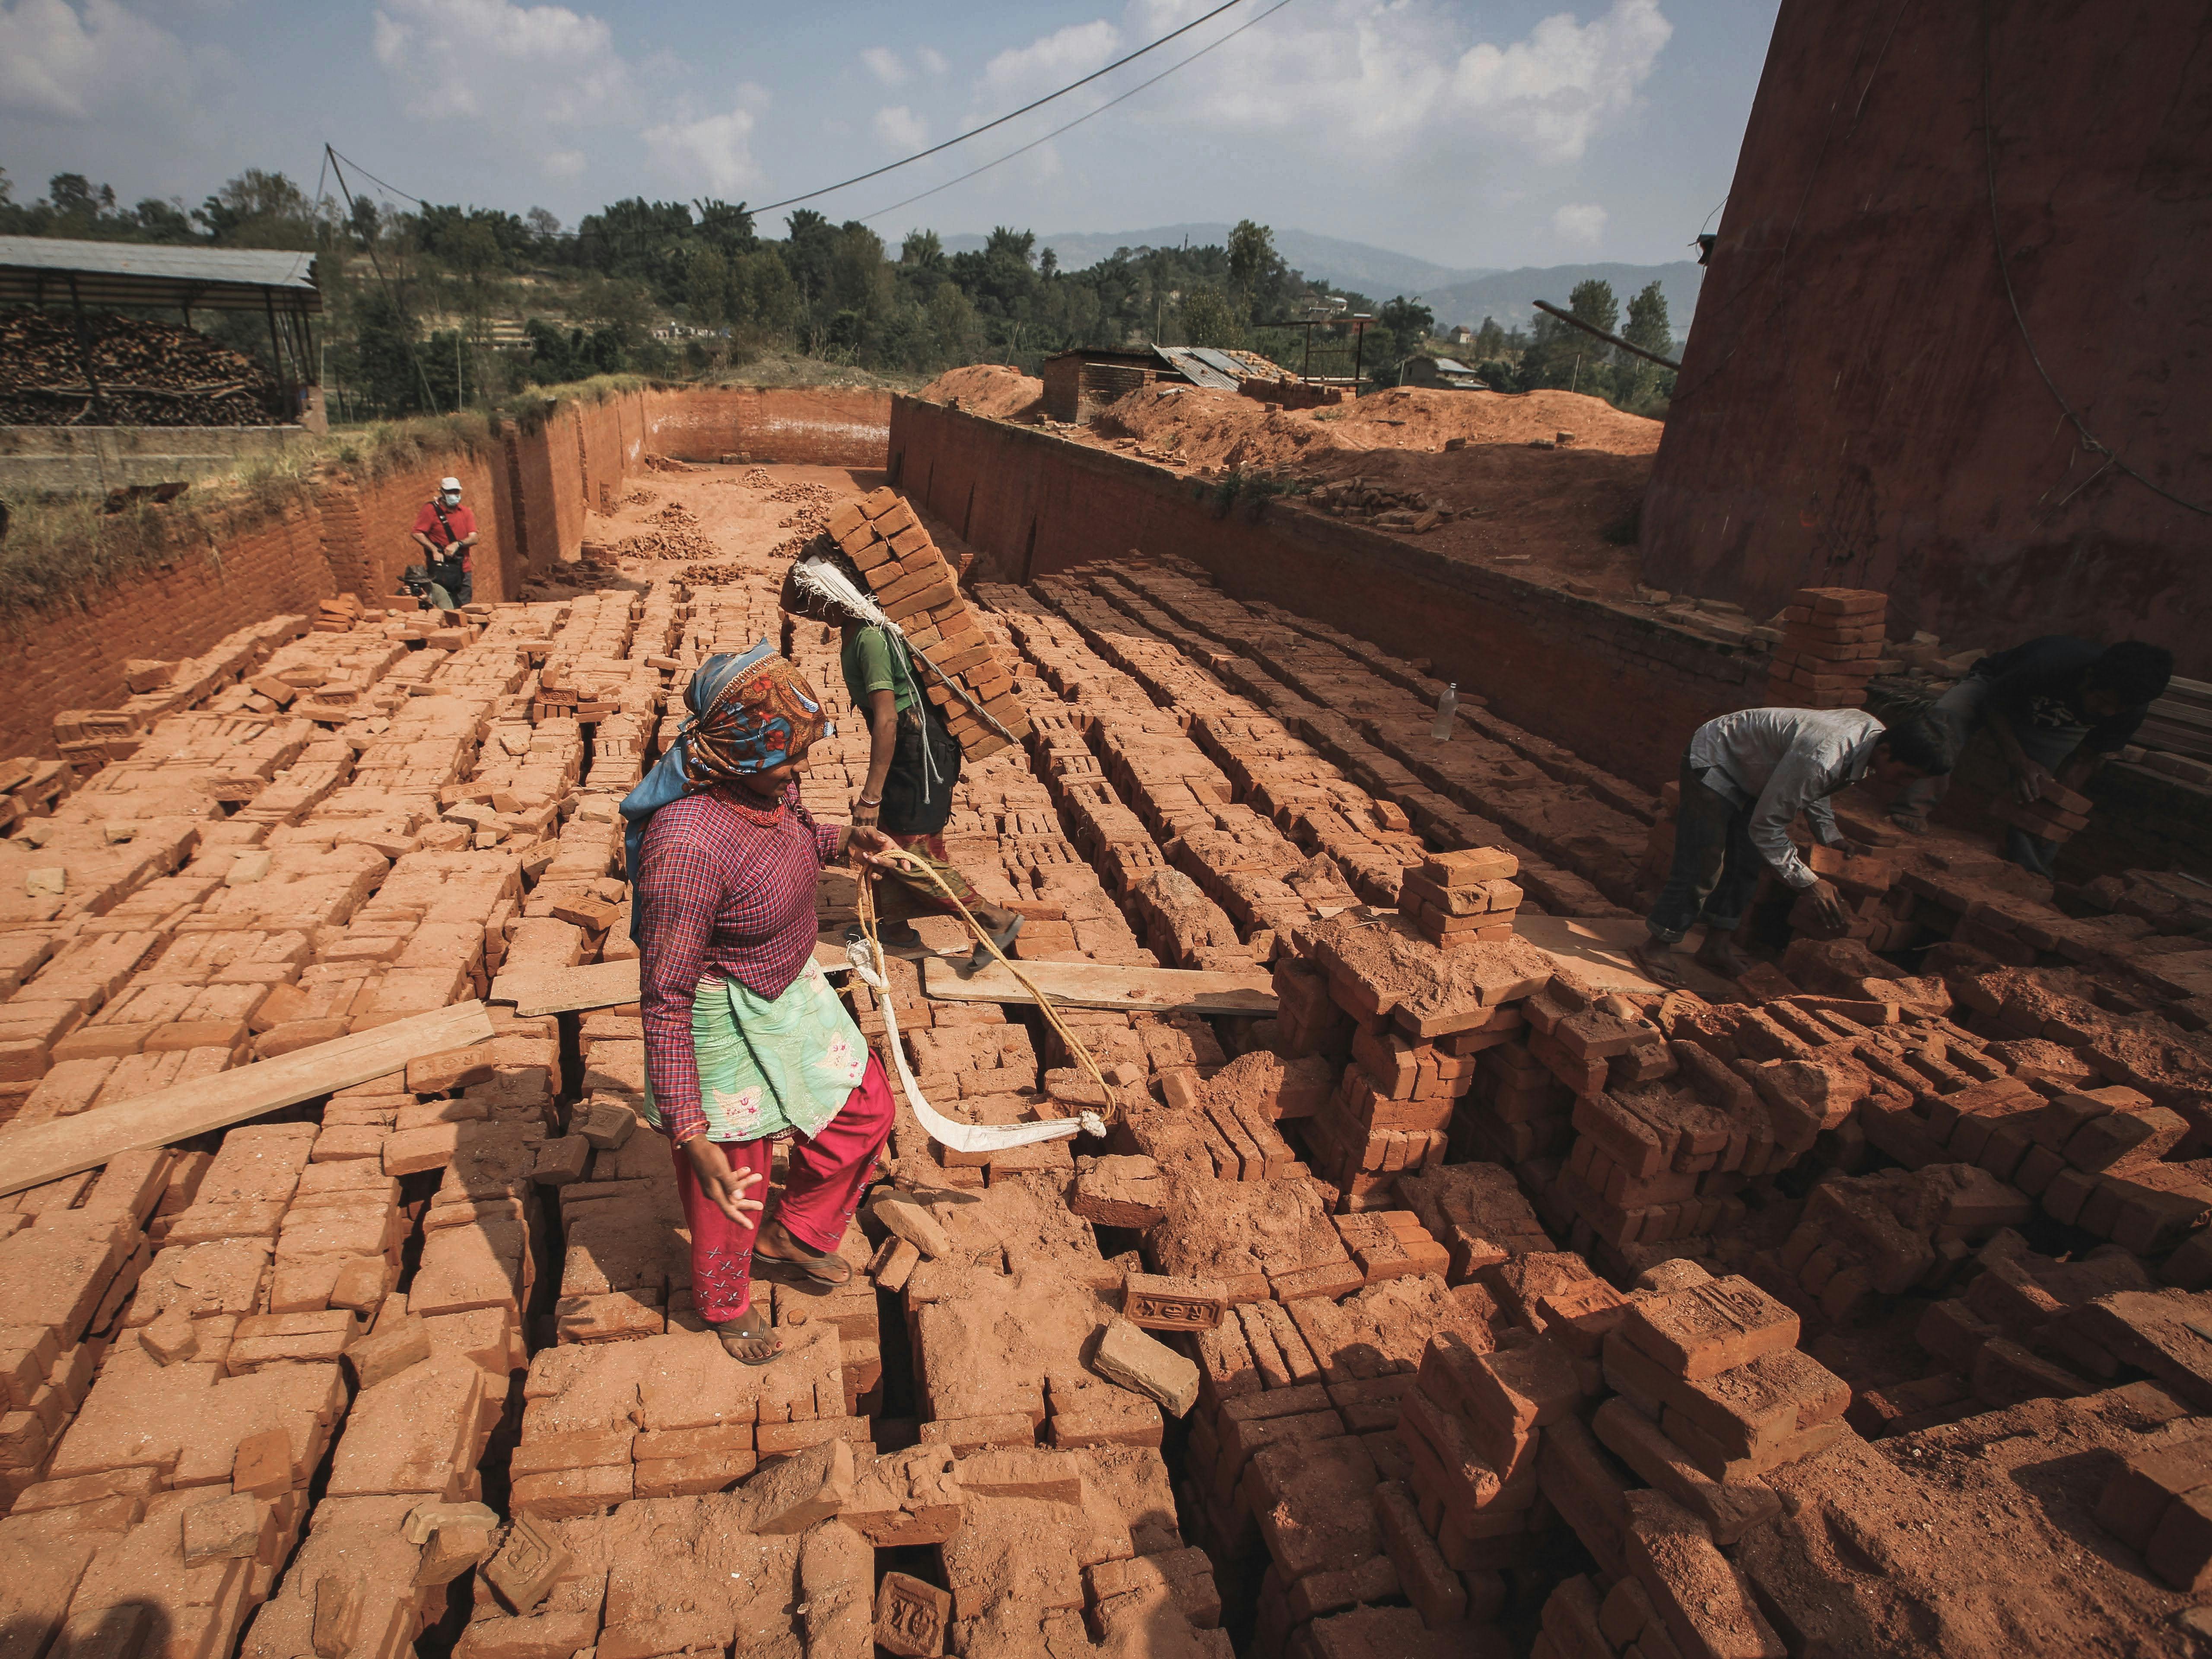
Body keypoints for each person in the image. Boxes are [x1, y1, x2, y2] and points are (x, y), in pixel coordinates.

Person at [627, 644, 900, 1367]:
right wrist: (690, 1131)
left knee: (867, 1110)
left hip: (788, 983)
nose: (798, 770)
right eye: (786, 758)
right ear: (740, 751)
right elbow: (665, 998)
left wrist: (846, 842)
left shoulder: (770, 789)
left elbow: (796, 837)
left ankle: (795, 1235)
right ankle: (724, 1299)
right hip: (718, 1013)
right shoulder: (686, 848)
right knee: (734, 1181)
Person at [778, 546, 1025, 961]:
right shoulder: (853, 625)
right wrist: (810, 554)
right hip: (912, 748)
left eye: (820, 601)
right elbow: (792, 601)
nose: (815, 611)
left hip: (917, 752)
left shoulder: (870, 639)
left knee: (911, 850)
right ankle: (893, 926)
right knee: (891, 837)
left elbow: (888, 720)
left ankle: (994, 920)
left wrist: (870, 796)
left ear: (838, 595)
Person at [1634, 706, 1954, 987]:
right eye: (1906, 774)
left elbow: (1816, 786)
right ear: (1886, 752)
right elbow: (1769, 825)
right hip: (1719, 755)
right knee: (1705, 862)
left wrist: (1828, 834)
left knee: (1747, 862)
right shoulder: (1825, 755)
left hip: (1760, 769)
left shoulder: (1866, 742)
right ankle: (1658, 944)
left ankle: (1715, 947)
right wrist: (1809, 883)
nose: (1905, 784)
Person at [1890, 637, 2173, 875]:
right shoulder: (2049, 661)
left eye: (2118, 709)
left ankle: (2029, 870)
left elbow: (2086, 758)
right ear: (2090, 678)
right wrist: (2019, 761)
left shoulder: (2129, 708)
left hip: (2056, 724)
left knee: (2042, 789)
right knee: (1947, 719)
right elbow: (1993, 704)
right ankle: (1911, 809)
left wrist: (2059, 803)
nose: (2108, 713)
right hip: (1994, 689)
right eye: (2102, 701)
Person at [410, 476, 477, 608]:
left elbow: (475, 538)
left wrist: (458, 544)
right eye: (450, 492)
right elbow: (417, 533)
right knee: (443, 604)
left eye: (456, 492)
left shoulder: (465, 512)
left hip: (462, 569)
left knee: (464, 606)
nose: (454, 495)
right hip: (440, 569)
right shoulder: (431, 510)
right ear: (442, 492)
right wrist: (434, 550)